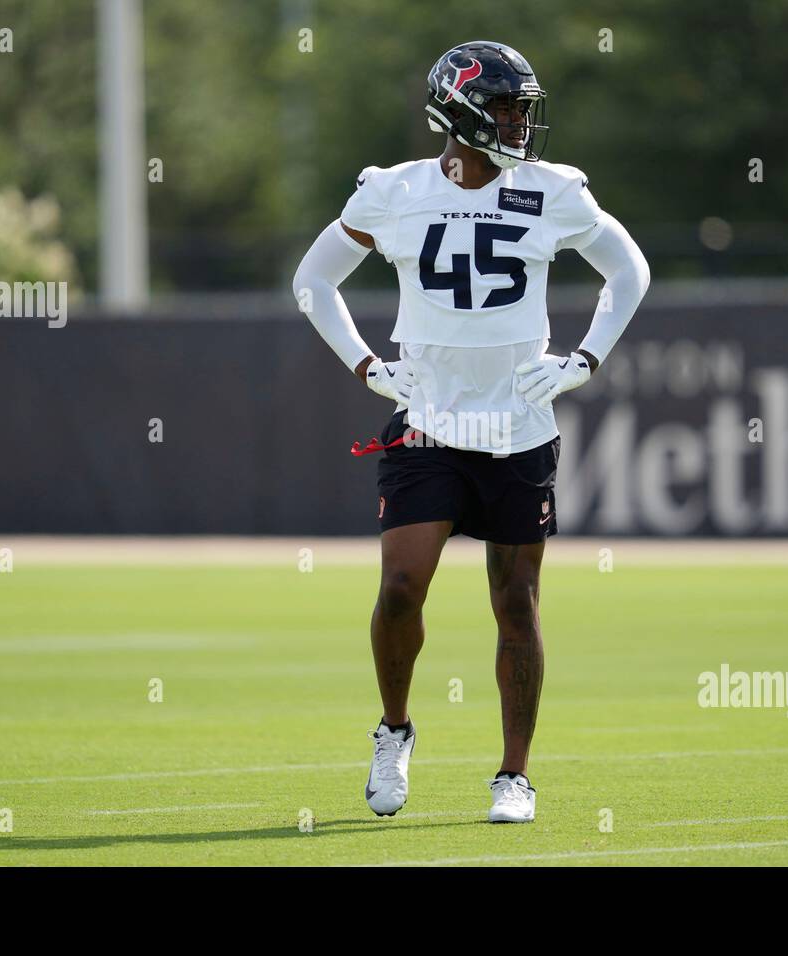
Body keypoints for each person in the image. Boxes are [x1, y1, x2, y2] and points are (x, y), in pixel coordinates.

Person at [292, 40, 649, 823]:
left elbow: (630, 270)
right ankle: (394, 729)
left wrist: (587, 358)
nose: (522, 123)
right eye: (508, 107)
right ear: (459, 109)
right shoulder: (394, 191)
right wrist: (366, 366)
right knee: (398, 587)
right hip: (428, 425)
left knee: (516, 602)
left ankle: (513, 775)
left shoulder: (552, 191)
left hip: (519, 426)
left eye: (525, 108)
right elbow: (312, 281)